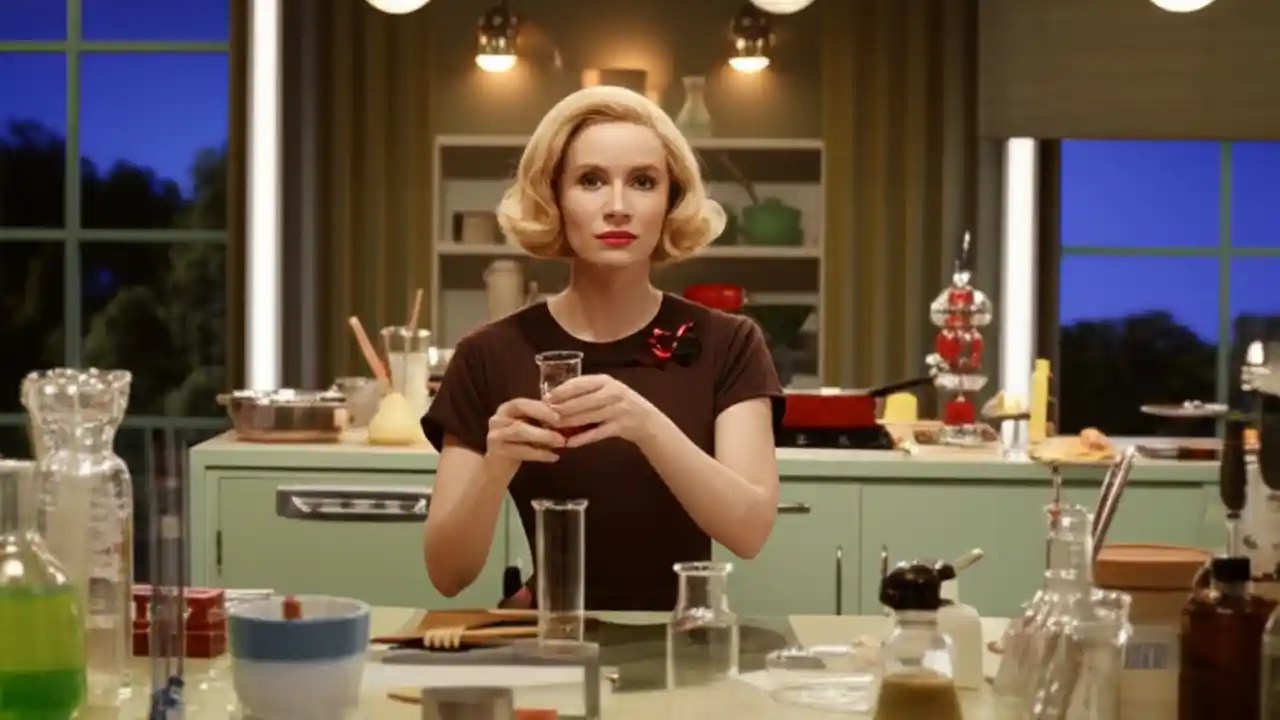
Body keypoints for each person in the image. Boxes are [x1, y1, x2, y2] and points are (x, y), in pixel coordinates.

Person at [421, 85, 785, 611]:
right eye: (591, 181)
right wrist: (495, 465)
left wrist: (644, 423)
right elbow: (447, 574)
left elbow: (749, 532)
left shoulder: (728, 343)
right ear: (554, 198)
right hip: (549, 637)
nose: (618, 206)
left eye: (642, 182)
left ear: (671, 201)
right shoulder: (489, 353)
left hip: (682, 640)